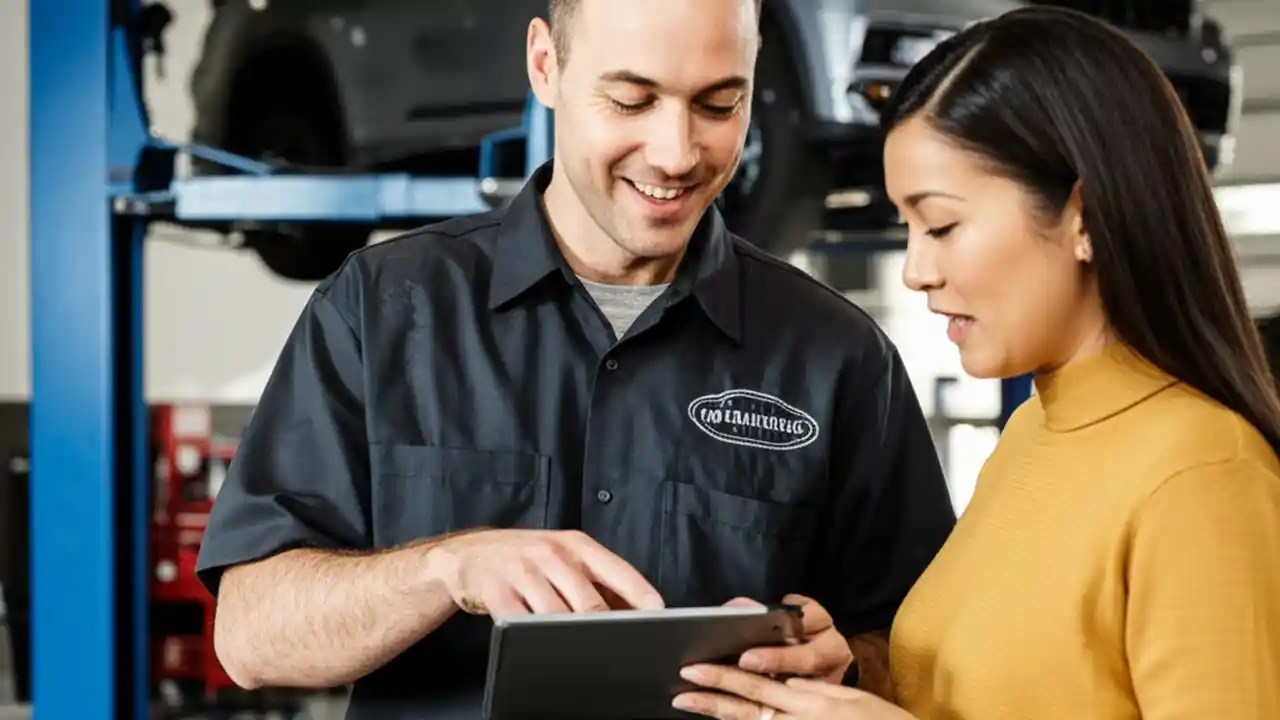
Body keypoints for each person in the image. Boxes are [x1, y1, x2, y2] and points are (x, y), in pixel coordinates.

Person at [194, 0, 958, 716]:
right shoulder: (382, 311)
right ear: (544, 63)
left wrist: (847, 664)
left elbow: (926, 650)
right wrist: (447, 569)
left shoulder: (839, 356)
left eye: (720, 104)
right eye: (631, 101)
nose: (676, 153)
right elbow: (252, 638)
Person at [674, 7, 1280, 720]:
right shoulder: (1033, 434)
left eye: (943, 225)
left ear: (1083, 217)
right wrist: (853, 678)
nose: (915, 271)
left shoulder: (1201, 474)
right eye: (907, 227)